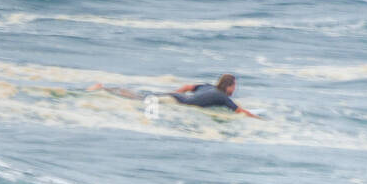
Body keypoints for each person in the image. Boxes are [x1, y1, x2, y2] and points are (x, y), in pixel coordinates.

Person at [90, 73, 261, 118]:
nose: (235, 89)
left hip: (173, 97)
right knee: (138, 99)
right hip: (176, 104)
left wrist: (175, 92)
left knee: (139, 96)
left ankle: (105, 88)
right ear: (229, 86)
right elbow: (240, 111)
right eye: (234, 86)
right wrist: (258, 119)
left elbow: (188, 86)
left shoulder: (208, 86)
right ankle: (103, 89)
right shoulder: (223, 97)